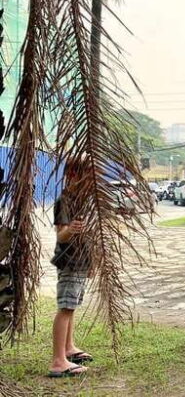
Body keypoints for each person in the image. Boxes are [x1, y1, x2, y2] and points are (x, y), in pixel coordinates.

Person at [49, 157, 93, 378]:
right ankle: (58, 361)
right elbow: (61, 235)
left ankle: (68, 347)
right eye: (86, 176)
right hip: (70, 262)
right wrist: (71, 230)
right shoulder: (64, 201)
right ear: (73, 175)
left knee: (71, 306)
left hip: (81, 262)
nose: (90, 181)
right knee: (65, 308)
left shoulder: (82, 200)